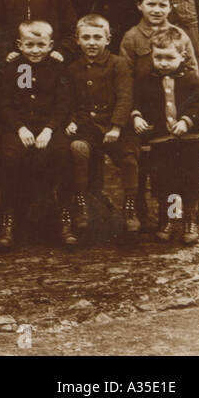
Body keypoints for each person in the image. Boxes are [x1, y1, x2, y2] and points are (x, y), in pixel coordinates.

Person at [119, 0, 196, 230]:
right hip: (143, 115)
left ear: (170, 7)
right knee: (140, 163)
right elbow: (124, 79)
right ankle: (138, 209)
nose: (156, 10)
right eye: (150, 3)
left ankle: (175, 217)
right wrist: (133, 113)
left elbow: (193, 74)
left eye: (163, 4)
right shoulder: (131, 37)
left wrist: (187, 116)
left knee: (177, 170)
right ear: (139, 5)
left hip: (174, 119)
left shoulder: (180, 36)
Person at [0, 20, 72, 250]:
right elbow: (6, 104)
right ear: (20, 45)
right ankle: (7, 220)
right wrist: (20, 128)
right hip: (20, 128)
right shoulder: (15, 68)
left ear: (50, 45)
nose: (35, 50)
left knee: (61, 153)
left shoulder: (58, 69)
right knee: (10, 156)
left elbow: (63, 103)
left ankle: (64, 218)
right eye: (29, 45)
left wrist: (49, 128)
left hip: (49, 127)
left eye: (41, 45)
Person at [131, 28, 199, 246]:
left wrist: (187, 120)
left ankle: (188, 221)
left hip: (190, 142)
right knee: (165, 181)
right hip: (161, 142)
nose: (163, 63)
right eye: (158, 57)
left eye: (169, 58)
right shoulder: (146, 80)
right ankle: (168, 220)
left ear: (182, 56)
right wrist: (137, 116)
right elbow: (136, 100)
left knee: (189, 180)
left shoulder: (191, 79)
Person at [64, 15, 137, 243]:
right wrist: (72, 119)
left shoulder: (118, 64)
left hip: (113, 126)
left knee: (129, 160)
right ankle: (82, 205)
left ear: (108, 39)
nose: (91, 43)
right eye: (86, 37)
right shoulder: (73, 68)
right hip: (85, 127)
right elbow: (67, 100)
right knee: (78, 149)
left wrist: (116, 126)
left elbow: (125, 97)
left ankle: (130, 209)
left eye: (97, 37)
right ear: (77, 40)